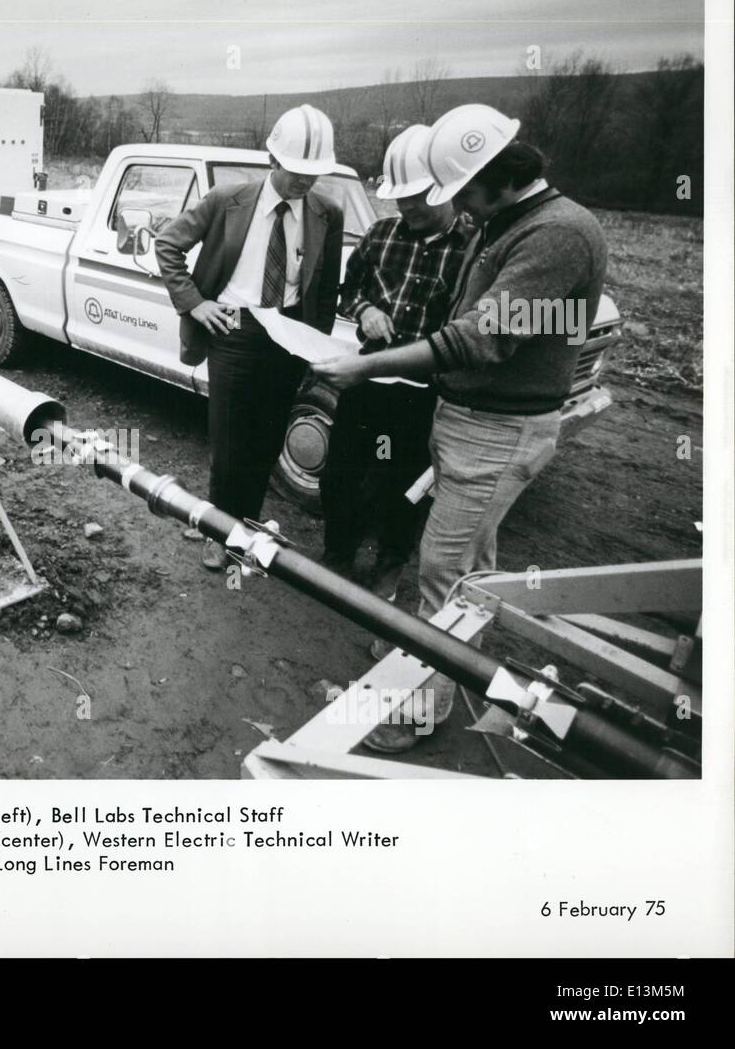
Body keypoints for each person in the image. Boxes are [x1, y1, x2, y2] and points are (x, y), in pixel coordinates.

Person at [313, 104, 608, 752]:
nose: (462, 207)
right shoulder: (511, 220)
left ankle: (413, 713)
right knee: (473, 566)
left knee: (441, 569)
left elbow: (482, 338)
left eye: (463, 192)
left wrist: (369, 368)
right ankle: (460, 665)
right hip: (475, 423)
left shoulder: (558, 235)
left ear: (499, 175)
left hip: (498, 432)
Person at [155, 105, 344, 570]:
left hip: (289, 335)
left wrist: (312, 348)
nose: (304, 182)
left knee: (265, 440)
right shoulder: (227, 200)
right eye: (296, 171)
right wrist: (196, 303)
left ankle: (247, 528)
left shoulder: (328, 213)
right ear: (273, 159)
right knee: (229, 437)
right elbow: (167, 244)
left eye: (313, 174)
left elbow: (324, 289)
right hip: (234, 331)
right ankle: (218, 532)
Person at [320, 124, 472, 602]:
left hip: (426, 394)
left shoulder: (473, 250)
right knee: (342, 470)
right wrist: (365, 310)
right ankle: (338, 553)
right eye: (400, 199)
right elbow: (349, 291)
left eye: (417, 198)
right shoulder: (382, 234)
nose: (406, 209)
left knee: (404, 487)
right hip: (368, 379)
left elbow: (473, 331)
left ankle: (389, 566)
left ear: (445, 188)